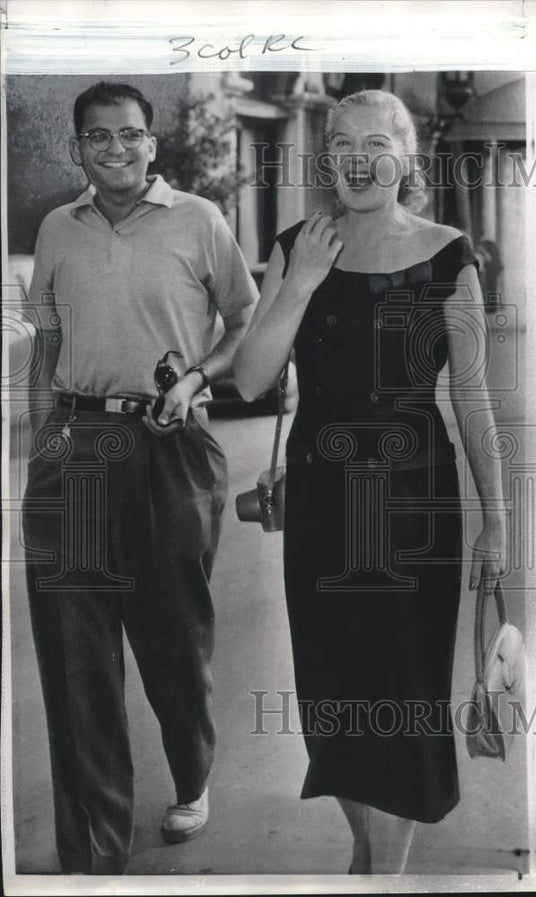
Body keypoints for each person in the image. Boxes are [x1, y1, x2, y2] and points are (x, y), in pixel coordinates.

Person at [233, 89, 506, 874]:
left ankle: (381, 869)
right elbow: (252, 378)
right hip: (323, 499)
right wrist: (301, 280)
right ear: (328, 159)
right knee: (334, 694)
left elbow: (474, 396)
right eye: (342, 140)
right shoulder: (298, 246)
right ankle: (374, 856)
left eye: (377, 140)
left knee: (404, 693)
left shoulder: (450, 253)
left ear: (407, 157)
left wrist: (498, 521)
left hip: (415, 507)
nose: (359, 154)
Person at [22, 81, 257, 874]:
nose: (115, 150)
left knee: (172, 634)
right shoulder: (57, 228)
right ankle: (96, 843)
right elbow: (46, 348)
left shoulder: (200, 221)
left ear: (153, 144)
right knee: (76, 649)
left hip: (171, 446)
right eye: (98, 138)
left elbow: (244, 319)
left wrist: (197, 379)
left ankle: (192, 775)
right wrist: (42, 447)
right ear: (79, 148)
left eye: (129, 135)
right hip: (77, 444)